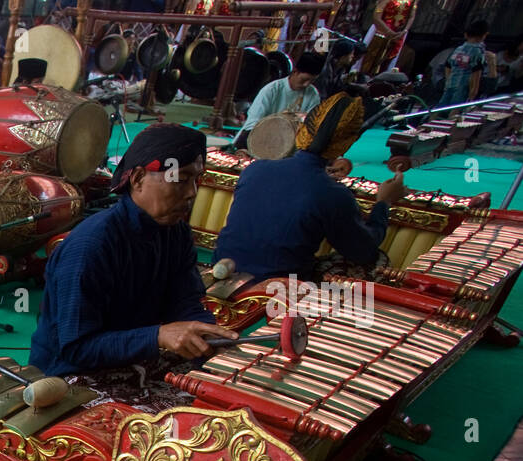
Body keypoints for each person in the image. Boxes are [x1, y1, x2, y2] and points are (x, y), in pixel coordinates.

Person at [30, 124, 238, 378]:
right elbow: (75, 348)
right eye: (181, 180)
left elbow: (185, 301)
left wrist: (206, 334)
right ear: (138, 179)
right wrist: (158, 336)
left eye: (196, 180)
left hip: (134, 360)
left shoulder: (176, 232)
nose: (192, 193)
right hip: (69, 374)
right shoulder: (90, 246)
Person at [215, 94, 408, 284]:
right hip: (277, 286)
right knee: (377, 260)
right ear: (347, 143)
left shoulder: (255, 169)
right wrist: (384, 202)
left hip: (223, 270)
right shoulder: (334, 194)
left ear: (302, 130)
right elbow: (363, 251)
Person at [233, 51, 324, 149]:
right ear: (295, 72)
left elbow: (311, 125)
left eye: (312, 81)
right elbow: (253, 123)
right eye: (304, 80)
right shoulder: (272, 90)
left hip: (289, 145)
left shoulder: (312, 94)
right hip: (258, 140)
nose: (306, 84)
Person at [439, 19, 489, 108]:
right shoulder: (478, 51)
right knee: (456, 110)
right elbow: (476, 73)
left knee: (440, 108)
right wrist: (473, 91)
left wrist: (448, 81)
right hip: (463, 86)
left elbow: (448, 66)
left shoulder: (458, 49)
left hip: (450, 84)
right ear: (484, 35)